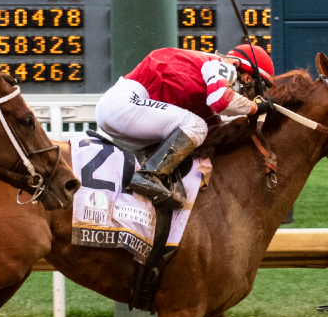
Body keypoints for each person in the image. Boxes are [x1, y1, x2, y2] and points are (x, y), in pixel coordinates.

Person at [94, 43, 274, 208]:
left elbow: (214, 134)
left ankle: (145, 169)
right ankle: (149, 176)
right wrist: (255, 106)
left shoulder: (206, 85)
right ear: (247, 76)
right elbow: (220, 100)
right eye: (259, 90)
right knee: (195, 126)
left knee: (196, 130)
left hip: (120, 110)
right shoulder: (222, 66)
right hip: (123, 105)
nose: (254, 97)